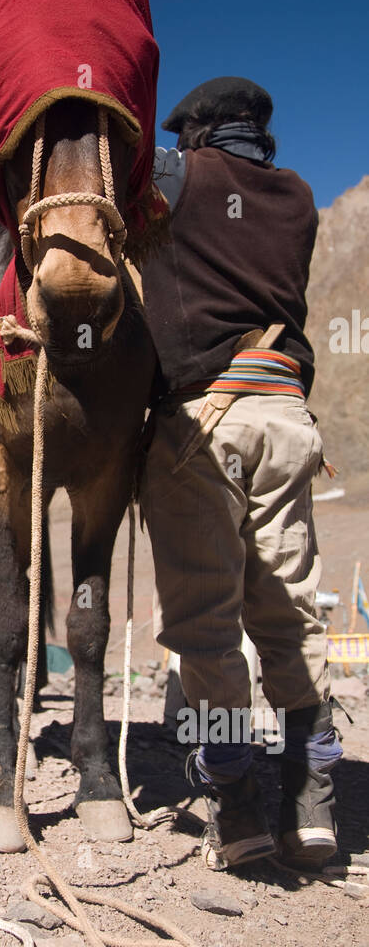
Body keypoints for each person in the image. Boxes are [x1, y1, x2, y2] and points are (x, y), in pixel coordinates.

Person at [138, 76, 341, 871]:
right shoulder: (298, 197)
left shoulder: (175, 177)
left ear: (196, 135)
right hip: (288, 419)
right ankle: (313, 801)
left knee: (207, 629)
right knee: (291, 611)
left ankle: (239, 804)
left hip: (204, 425)